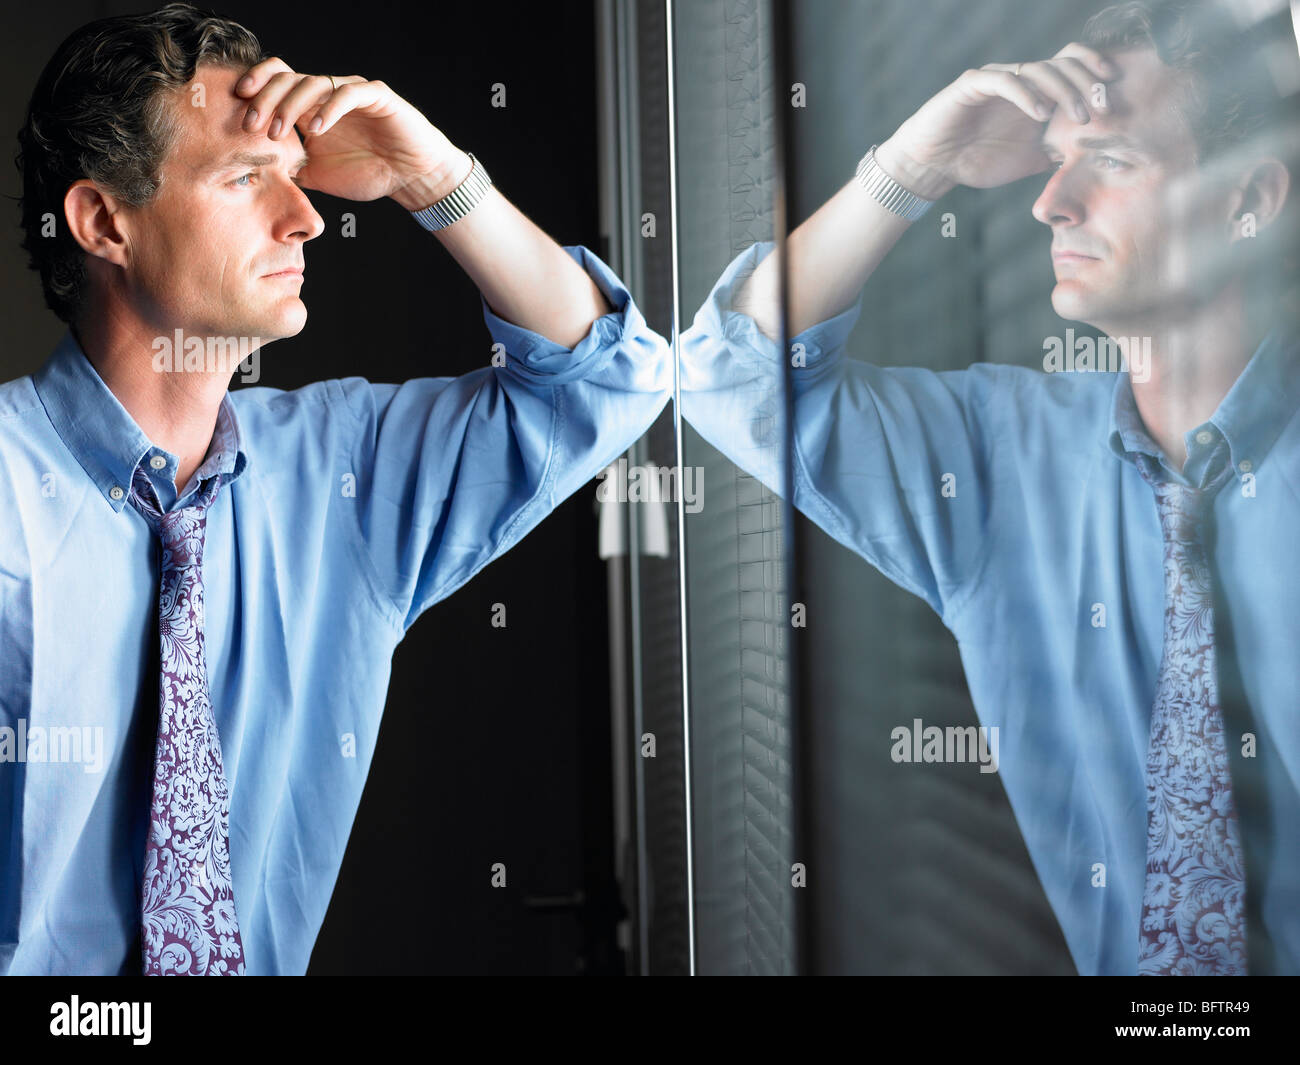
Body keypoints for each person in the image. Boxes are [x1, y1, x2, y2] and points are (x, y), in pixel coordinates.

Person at [0, 2, 671, 974]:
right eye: (244, 179)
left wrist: (431, 179)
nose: (306, 215)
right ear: (105, 221)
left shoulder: (340, 475)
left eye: (295, 176)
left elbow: (612, 379)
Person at [679, 0, 1298, 974]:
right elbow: (728, 379)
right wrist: (915, 165)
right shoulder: (1003, 461)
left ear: (1246, 199)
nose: (1052, 202)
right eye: (1056, 159)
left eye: (1114, 159)